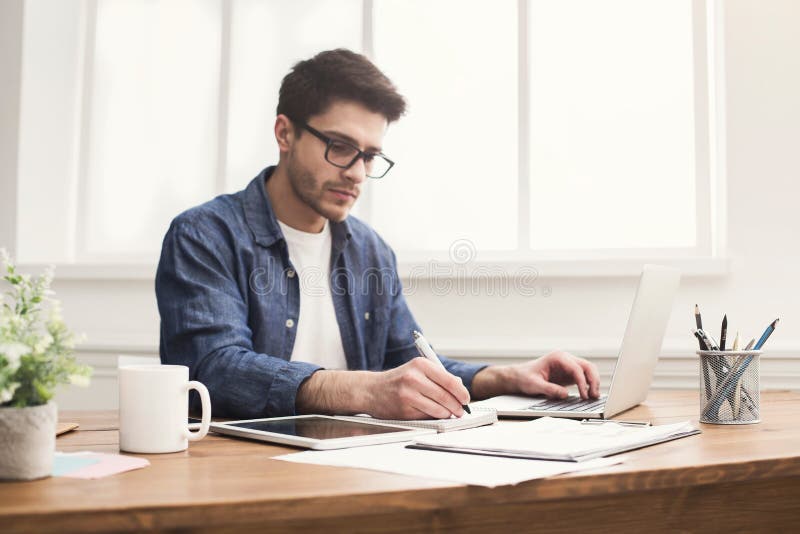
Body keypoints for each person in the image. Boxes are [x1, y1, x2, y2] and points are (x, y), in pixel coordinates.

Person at [156, 49, 599, 420]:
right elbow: (213, 368)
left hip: (356, 462)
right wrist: (367, 391)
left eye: (369, 156)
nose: (356, 173)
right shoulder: (204, 236)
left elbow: (409, 363)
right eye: (340, 147)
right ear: (285, 133)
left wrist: (506, 377)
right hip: (247, 468)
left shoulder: (370, 251)